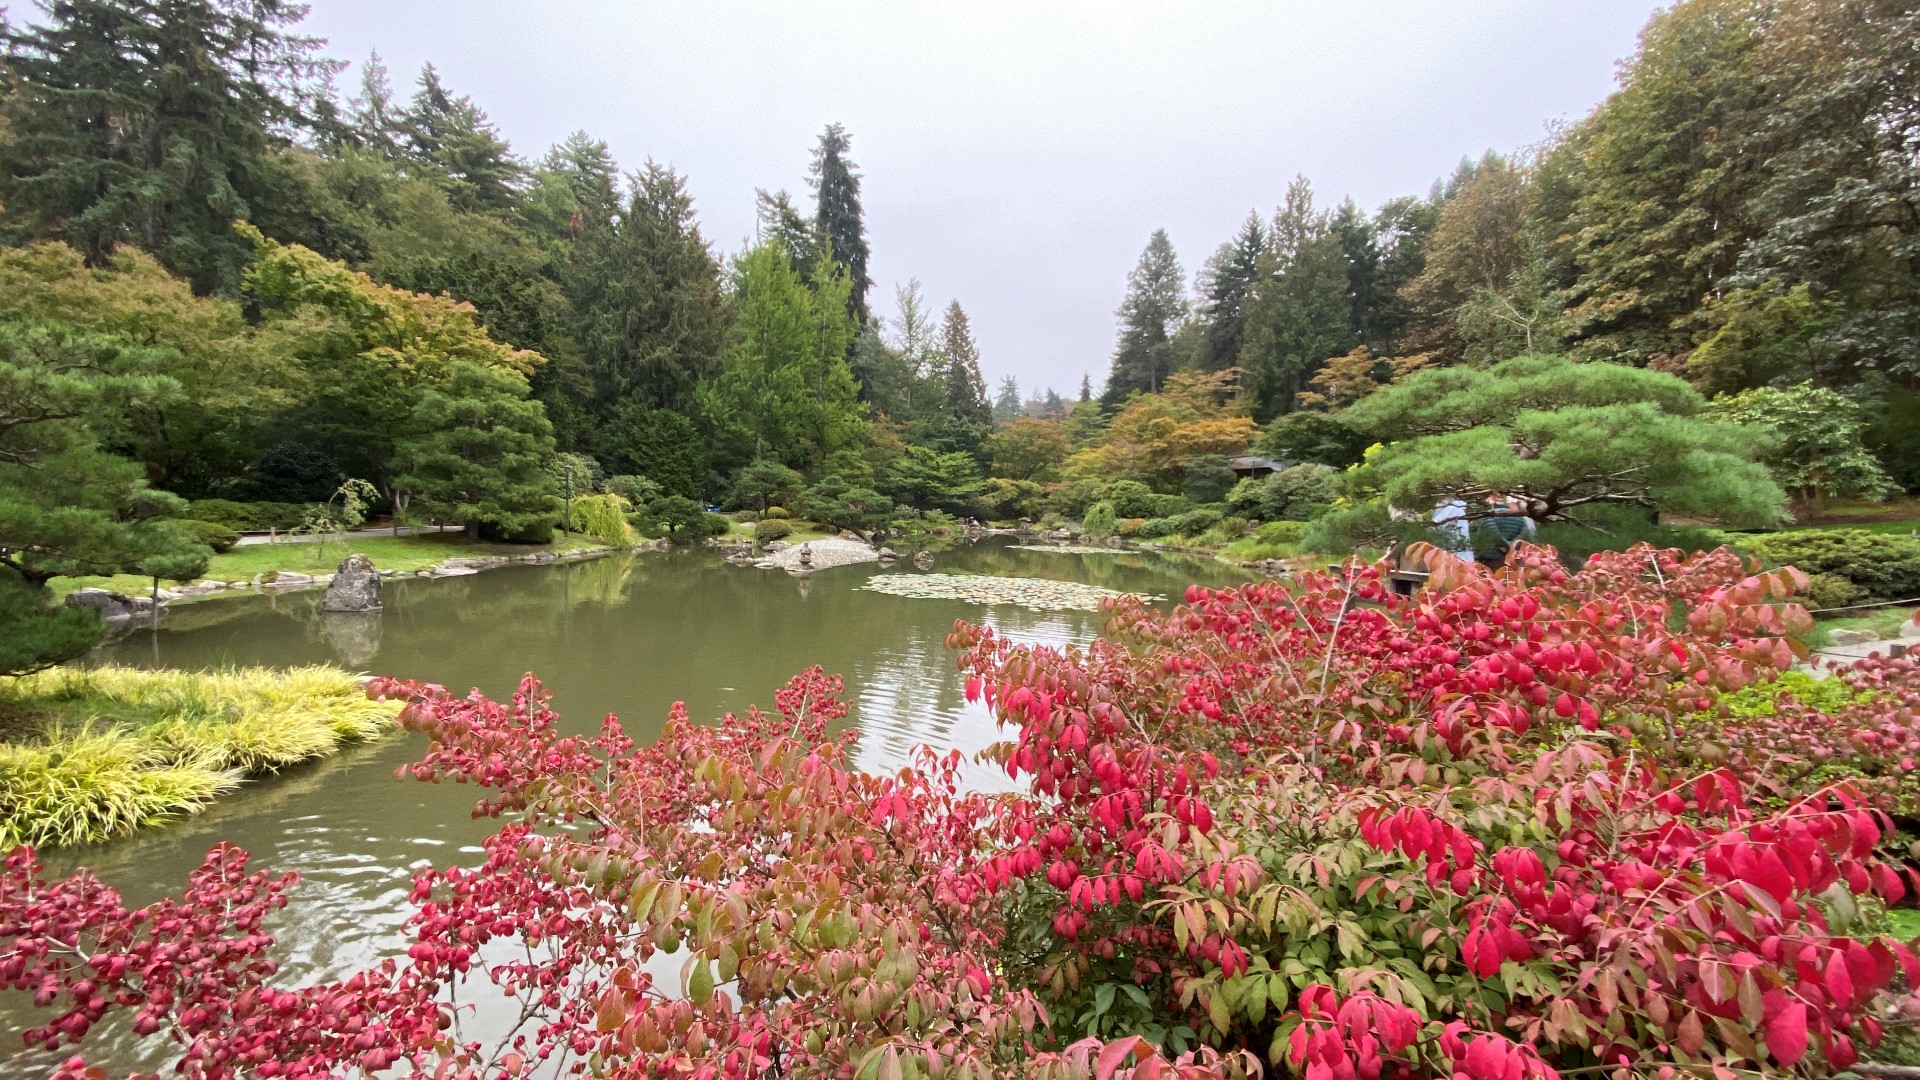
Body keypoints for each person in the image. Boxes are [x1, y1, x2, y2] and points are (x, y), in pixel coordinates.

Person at [1471, 493, 1533, 566]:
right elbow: (1524, 533)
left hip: (1491, 557)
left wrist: (1506, 547)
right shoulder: (1519, 517)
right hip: (1513, 557)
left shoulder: (1489, 516)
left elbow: (1493, 533)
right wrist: (1512, 547)